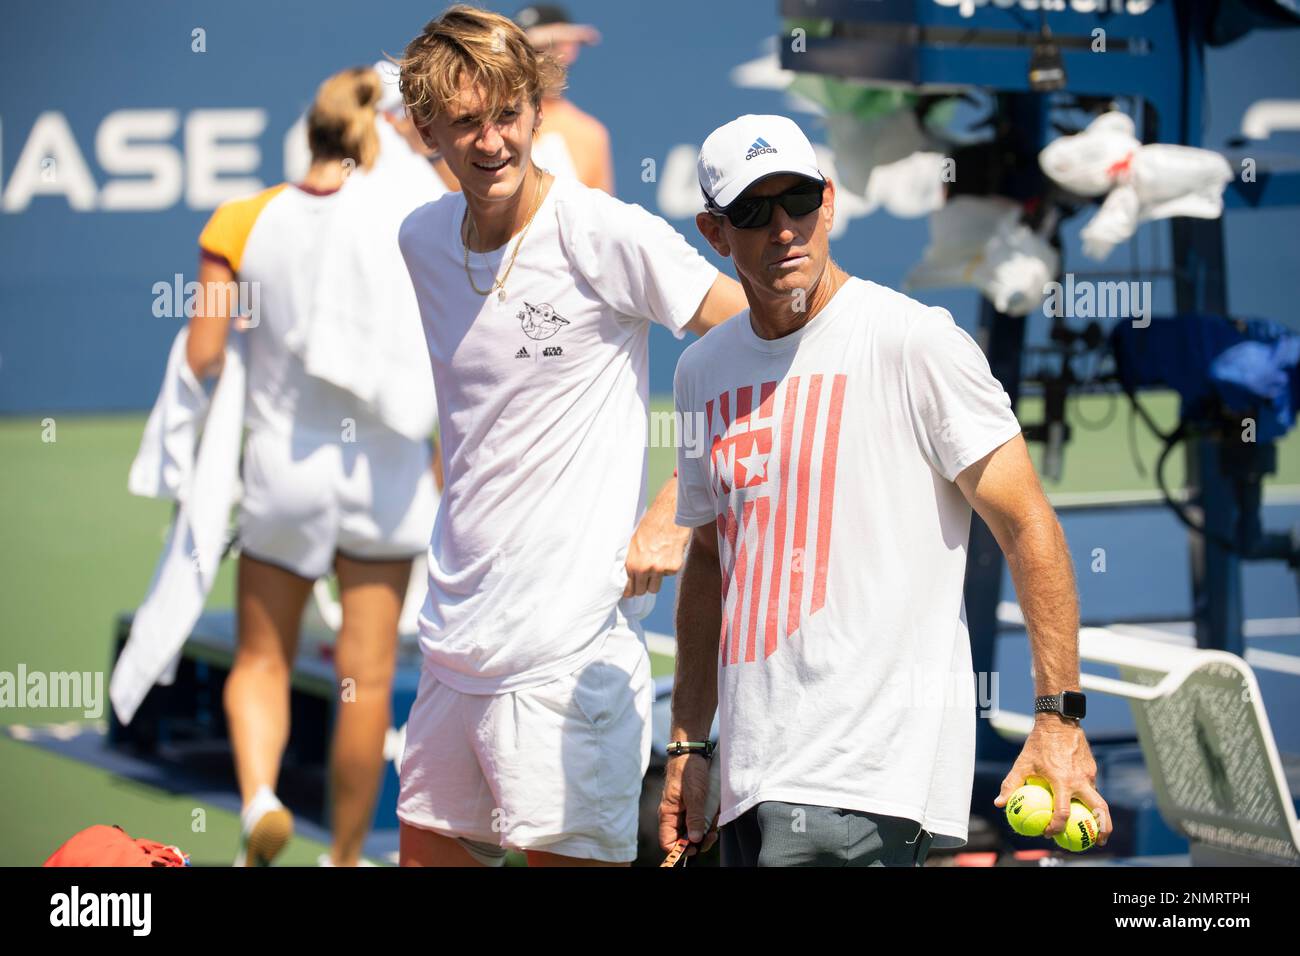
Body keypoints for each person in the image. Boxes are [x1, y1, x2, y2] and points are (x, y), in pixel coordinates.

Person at [660, 114, 1112, 866]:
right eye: (752, 212)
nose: (783, 229)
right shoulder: (701, 371)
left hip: (865, 781)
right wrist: (690, 741)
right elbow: (709, 559)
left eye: (799, 201)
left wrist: (1057, 716)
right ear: (714, 231)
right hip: (750, 776)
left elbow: (1028, 522)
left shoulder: (916, 342)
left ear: (829, 202)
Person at [392, 5, 747, 867]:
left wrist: (681, 503)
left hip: (567, 656)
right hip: (450, 650)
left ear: (536, 112)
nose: (491, 142)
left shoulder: (601, 231)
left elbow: (746, 336)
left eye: (507, 115)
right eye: (466, 122)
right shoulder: (423, 240)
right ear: (426, 128)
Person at [187, 67, 439, 866]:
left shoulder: (243, 218)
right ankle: (346, 858)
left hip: (283, 471)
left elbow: (201, 355)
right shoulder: (420, 215)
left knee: (263, 659)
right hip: (390, 476)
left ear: (309, 129)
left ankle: (261, 798)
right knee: (362, 684)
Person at [513, 3, 614, 193]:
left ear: (569, 49)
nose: (533, 58)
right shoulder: (490, 115)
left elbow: (601, 218)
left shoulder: (589, 134)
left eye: (546, 46)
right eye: (526, 48)